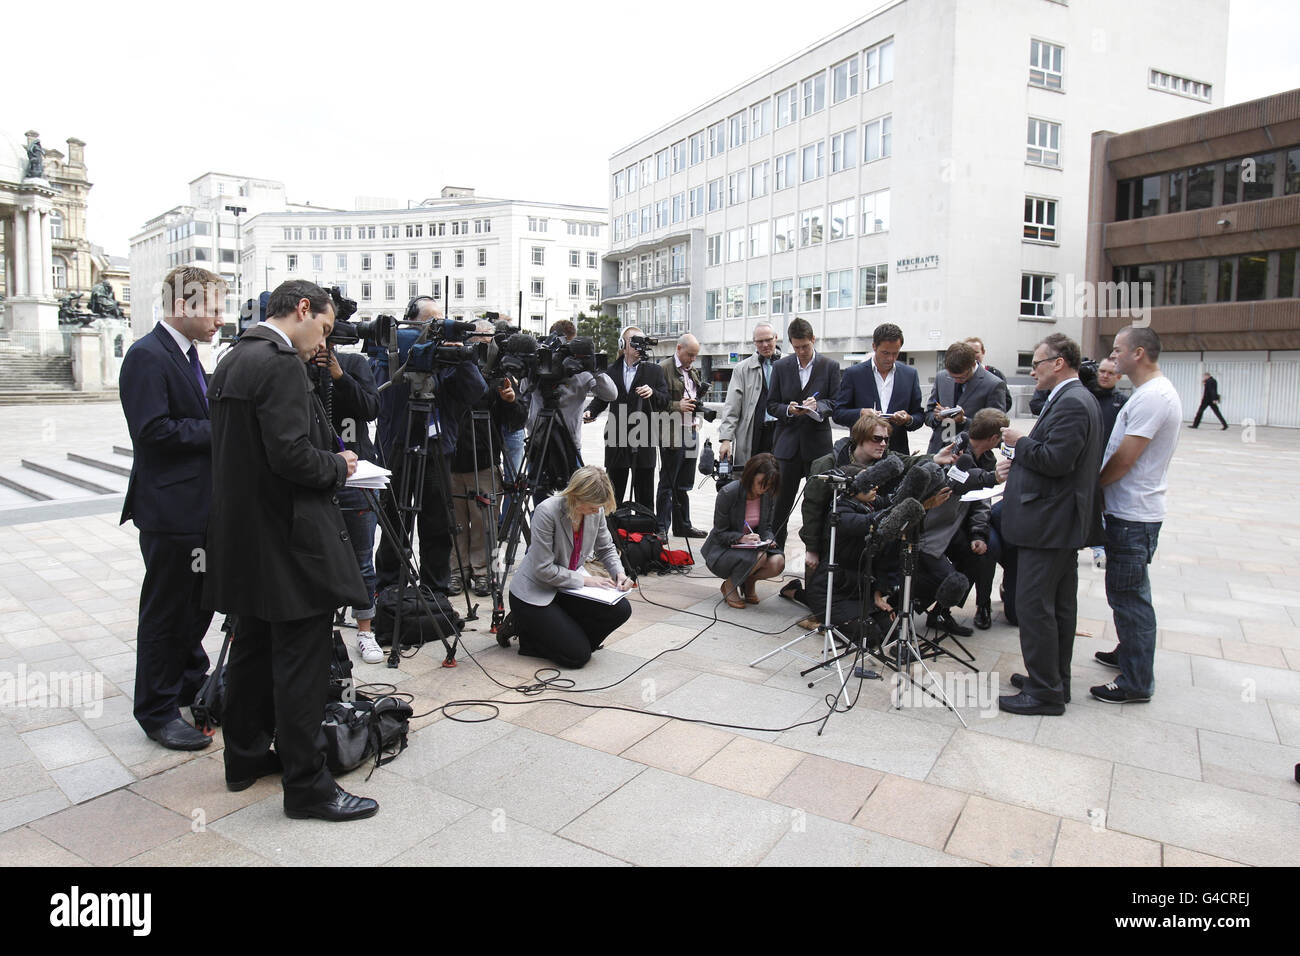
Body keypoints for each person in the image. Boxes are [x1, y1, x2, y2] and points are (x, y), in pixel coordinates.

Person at [204, 279, 377, 822]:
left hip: (247, 537)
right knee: (299, 663)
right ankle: (308, 787)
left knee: (253, 649)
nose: (321, 342)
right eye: (323, 328)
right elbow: (292, 458)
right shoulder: (278, 361)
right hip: (289, 539)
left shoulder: (236, 356)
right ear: (303, 309)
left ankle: (245, 757)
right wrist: (341, 466)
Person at [118, 265, 225, 751]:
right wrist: (225, 430)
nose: (221, 318)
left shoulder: (187, 355)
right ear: (183, 305)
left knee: (194, 606)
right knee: (166, 612)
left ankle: (188, 681)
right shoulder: (147, 355)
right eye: (213, 307)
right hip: (171, 511)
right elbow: (153, 431)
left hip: (197, 507)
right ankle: (156, 710)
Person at [996, 333, 1104, 716]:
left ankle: (1044, 692)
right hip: (1056, 523)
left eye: (1037, 363)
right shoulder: (1073, 399)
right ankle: (1052, 680)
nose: (1032, 370)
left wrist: (1020, 442)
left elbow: (1057, 461)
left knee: (1034, 605)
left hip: (1049, 525)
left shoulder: (1073, 402)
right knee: (1057, 606)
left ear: (1058, 362)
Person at [372, 296, 487, 594]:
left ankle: (435, 590)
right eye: (430, 322)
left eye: (440, 322)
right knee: (394, 523)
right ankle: (388, 589)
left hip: (437, 449)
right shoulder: (393, 350)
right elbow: (379, 395)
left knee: (437, 524)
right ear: (410, 322)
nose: (436, 329)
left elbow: (475, 391)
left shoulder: (447, 358)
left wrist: (462, 358)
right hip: (397, 447)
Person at [1092, 326, 1182, 704]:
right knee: (1124, 594)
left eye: (1117, 352)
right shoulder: (1149, 393)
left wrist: (1095, 487)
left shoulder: (1154, 397)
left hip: (1133, 514)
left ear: (1138, 353)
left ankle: (1136, 681)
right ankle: (1127, 653)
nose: (1112, 359)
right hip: (1130, 511)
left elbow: (1126, 459)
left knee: (1130, 598)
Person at [502, 466, 633, 668]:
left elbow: (606, 547)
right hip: (534, 593)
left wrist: (619, 574)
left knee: (621, 609)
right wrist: (586, 580)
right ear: (577, 497)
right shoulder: (546, 512)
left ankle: (566, 638)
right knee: (577, 658)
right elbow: (543, 569)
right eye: (592, 506)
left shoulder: (595, 512)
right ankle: (526, 632)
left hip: (566, 587)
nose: (597, 511)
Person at [311, 338, 383, 664]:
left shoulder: (355, 364)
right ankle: (317, 633)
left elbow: (371, 407)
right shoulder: (295, 366)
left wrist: (340, 377)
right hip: (315, 473)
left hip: (357, 476)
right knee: (315, 557)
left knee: (362, 559)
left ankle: (365, 630)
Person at [450, 320, 527, 596]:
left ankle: (484, 572)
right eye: (475, 339)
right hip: (452, 456)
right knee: (455, 522)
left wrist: (510, 400)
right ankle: (457, 571)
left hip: (484, 457)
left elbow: (517, 421)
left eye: (486, 340)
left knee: (485, 522)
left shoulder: (501, 374)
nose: (480, 345)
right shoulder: (452, 367)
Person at [917, 408, 1008, 634]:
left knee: (978, 553)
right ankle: (908, 607)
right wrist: (991, 478)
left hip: (957, 523)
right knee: (944, 573)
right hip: (933, 527)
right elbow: (956, 485)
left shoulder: (986, 457)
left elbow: (981, 501)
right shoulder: (956, 449)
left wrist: (978, 534)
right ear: (994, 438)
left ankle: (942, 612)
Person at [767, 317, 841, 548]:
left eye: (805, 347)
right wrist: (788, 409)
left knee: (818, 502)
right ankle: (775, 550)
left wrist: (819, 406)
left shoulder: (830, 366)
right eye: (796, 347)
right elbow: (771, 405)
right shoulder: (780, 367)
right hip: (787, 445)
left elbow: (836, 402)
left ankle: (816, 551)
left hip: (817, 447)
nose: (801, 352)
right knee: (780, 504)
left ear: (813, 340)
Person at [585, 326, 668, 509]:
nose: (639, 346)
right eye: (635, 342)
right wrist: (591, 411)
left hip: (644, 436)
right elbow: (602, 398)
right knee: (614, 491)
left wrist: (652, 392)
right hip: (617, 436)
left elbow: (664, 400)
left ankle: (644, 532)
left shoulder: (654, 371)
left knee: (644, 492)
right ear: (623, 344)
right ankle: (613, 531)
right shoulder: (611, 371)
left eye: (642, 342)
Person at [702, 453, 784, 608]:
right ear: (750, 476)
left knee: (777, 562)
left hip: (753, 549)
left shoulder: (767, 495)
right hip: (724, 549)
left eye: (769, 484)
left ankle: (749, 581)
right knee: (760, 556)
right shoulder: (728, 493)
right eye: (761, 483)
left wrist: (768, 539)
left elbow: (766, 527)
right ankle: (730, 585)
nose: (764, 488)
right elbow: (720, 533)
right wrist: (741, 538)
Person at [834, 322, 925, 454]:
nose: (890, 358)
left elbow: (919, 416)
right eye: (885, 353)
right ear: (874, 347)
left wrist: (907, 419)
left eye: (895, 353)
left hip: (897, 453)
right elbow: (838, 414)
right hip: (861, 454)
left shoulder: (909, 375)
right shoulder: (853, 374)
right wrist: (861, 413)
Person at [655, 333, 707, 538]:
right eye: (690, 355)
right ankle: (661, 528)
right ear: (679, 349)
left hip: (691, 430)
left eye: (695, 356)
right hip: (672, 432)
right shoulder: (663, 369)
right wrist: (678, 405)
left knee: (683, 484)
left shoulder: (692, 370)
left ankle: (682, 525)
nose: (693, 359)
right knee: (667, 483)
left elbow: (692, 398)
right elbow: (656, 403)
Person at [924, 341, 1008, 453]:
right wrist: (937, 417)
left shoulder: (994, 384)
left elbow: (996, 429)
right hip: (937, 451)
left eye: (962, 377)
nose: (956, 381)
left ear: (973, 364)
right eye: (952, 377)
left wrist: (964, 421)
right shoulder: (942, 377)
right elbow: (928, 414)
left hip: (972, 455)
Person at [718, 322, 780, 468]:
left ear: (776, 338)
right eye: (759, 341)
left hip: (781, 432)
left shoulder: (789, 364)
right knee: (752, 479)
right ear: (754, 342)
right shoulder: (742, 369)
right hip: (754, 433)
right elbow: (732, 407)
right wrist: (726, 439)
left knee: (781, 480)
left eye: (768, 340)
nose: (765, 345)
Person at [963, 336, 1013, 412]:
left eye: (975, 352)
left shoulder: (996, 374)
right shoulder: (956, 376)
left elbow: (1006, 402)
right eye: (968, 352)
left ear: (983, 352)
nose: (971, 356)